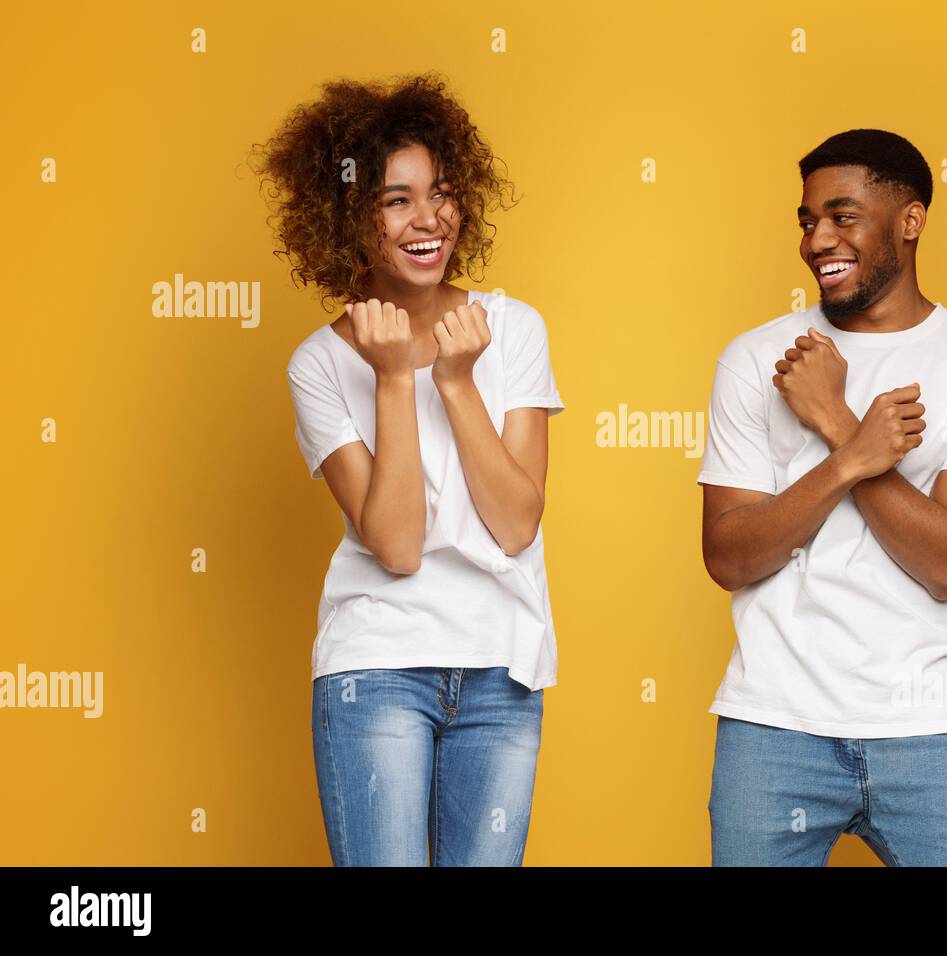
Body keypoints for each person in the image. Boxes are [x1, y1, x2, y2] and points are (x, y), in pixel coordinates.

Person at [698, 128, 947, 866]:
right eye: (807, 219)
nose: (818, 238)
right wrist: (849, 452)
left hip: (931, 726)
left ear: (910, 221)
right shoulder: (757, 358)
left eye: (843, 215)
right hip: (772, 726)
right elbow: (728, 555)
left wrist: (836, 419)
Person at [252, 73, 563, 866]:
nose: (429, 220)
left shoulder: (513, 328)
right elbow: (395, 545)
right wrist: (395, 377)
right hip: (375, 670)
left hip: (502, 670)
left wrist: (455, 383)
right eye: (396, 200)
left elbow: (517, 522)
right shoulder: (319, 364)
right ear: (348, 218)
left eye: (442, 193)